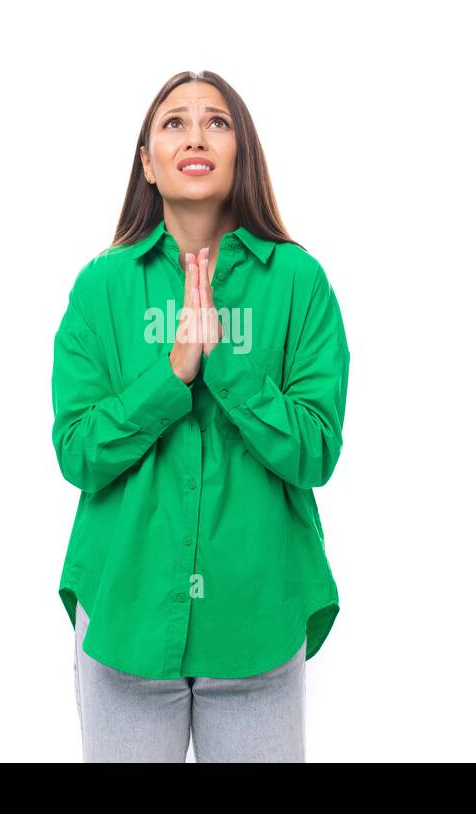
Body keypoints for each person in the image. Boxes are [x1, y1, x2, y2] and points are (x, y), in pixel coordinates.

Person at [51, 69, 350, 762]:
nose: (196, 135)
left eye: (217, 122)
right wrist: (173, 372)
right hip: (126, 612)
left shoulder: (299, 284)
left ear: (242, 153)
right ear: (148, 163)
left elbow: (315, 451)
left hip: (258, 619)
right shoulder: (102, 287)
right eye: (174, 122)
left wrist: (224, 365)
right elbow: (78, 454)